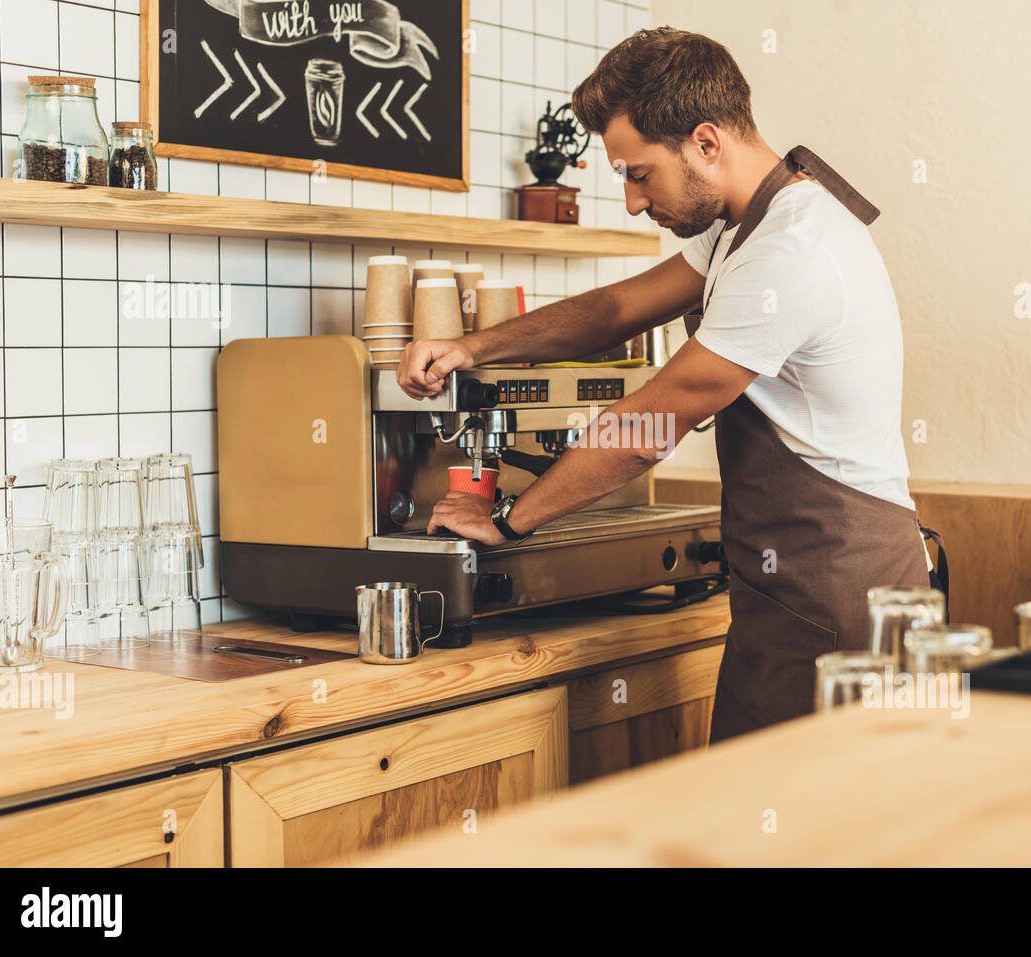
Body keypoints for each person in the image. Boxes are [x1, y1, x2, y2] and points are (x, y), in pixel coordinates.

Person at [397, 27, 936, 742]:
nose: (628, 201)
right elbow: (616, 309)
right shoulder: (744, 227)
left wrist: (505, 520)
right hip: (791, 590)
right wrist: (472, 346)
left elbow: (650, 424)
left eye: (637, 174)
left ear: (705, 143)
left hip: (837, 596)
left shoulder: (792, 251)